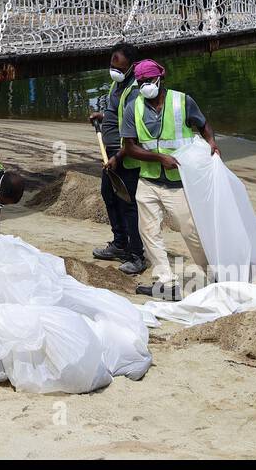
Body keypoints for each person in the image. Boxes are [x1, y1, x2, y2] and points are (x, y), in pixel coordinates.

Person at [116, 58, 220, 300]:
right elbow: (130, 147)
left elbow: (203, 125)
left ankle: (214, 276)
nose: (144, 86)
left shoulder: (182, 101)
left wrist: (212, 142)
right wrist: (159, 158)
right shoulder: (134, 107)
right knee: (149, 232)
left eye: (149, 81)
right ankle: (166, 283)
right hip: (149, 180)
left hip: (179, 183)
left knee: (190, 230)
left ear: (160, 79)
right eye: (140, 82)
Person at [89, 41, 147, 274]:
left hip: (125, 154)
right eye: (113, 64)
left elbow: (134, 133)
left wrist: (118, 156)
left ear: (132, 67)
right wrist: (103, 116)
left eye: (120, 68)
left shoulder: (135, 91)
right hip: (111, 151)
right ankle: (120, 243)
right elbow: (117, 112)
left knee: (127, 203)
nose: (115, 70)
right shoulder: (118, 85)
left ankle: (136, 255)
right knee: (109, 195)